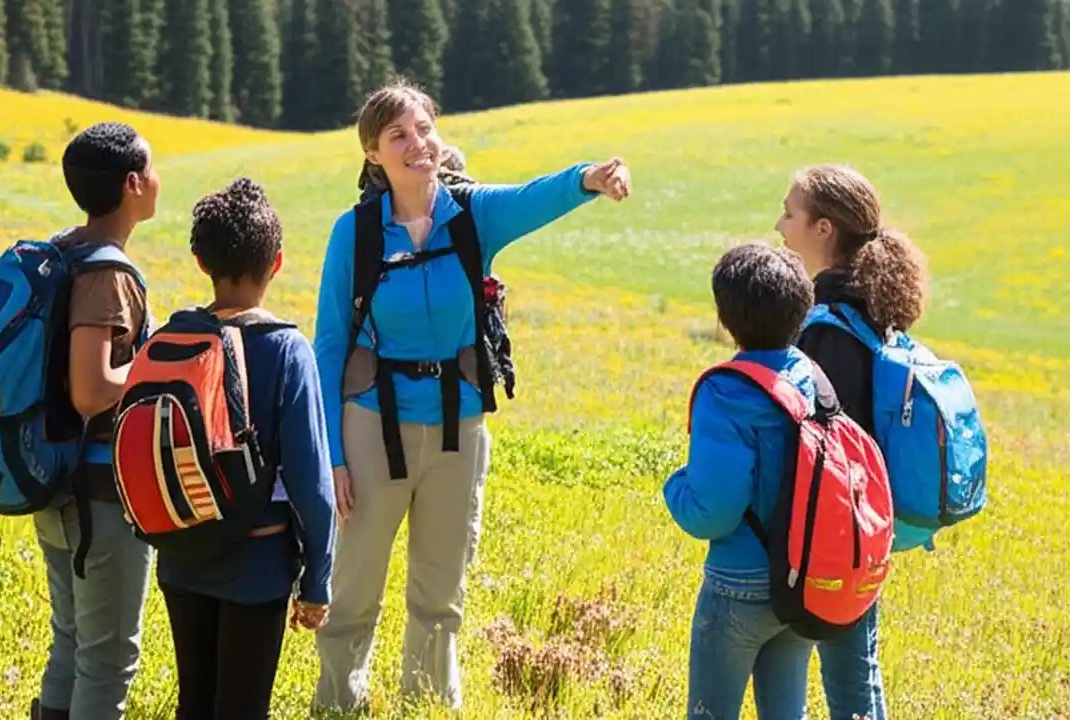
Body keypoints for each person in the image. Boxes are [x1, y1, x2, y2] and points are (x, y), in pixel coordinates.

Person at [311, 77, 631, 712]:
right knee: (354, 585)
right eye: (398, 134)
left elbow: (533, 198)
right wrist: (333, 457)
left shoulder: (471, 216)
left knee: (441, 586)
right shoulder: (356, 234)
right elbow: (327, 343)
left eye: (424, 128)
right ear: (373, 152)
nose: (417, 143)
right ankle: (338, 701)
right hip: (370, 424)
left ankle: (428, 702)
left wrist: (589, 178)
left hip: (458, 425)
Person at [151, 178, 337, 720]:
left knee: (195, 703)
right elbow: (313, 484)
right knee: (242, 707)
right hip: (257, 565)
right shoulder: (286, 349)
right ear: (276, 262)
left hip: (181, 555)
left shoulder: (171, 338)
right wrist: (317, 581)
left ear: (199, 259)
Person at [776, 163, 927, 720]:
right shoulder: (871, 308)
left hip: (840, 527)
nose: (779, 223)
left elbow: (822, 443)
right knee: (857, 667)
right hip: (871, 519)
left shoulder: (826, 325)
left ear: (823, 230)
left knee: (850, 681)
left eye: (790, 212)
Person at [30, 121, 160, 720]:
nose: (158, 180)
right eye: (152, 169)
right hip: (101, 495)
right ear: (132, 183)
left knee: (73, 643)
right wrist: (153, 373)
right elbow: (89, 389)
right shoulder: (107, 274)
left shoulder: (63, 248)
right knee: (108, 661)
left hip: (56, 479)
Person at [663, 243, 821, 719]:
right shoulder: (810, 375)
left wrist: (674, 487)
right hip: (803, 578)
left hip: (739, 583)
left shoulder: (725, 391)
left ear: (726, 318)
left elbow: (712, 512)